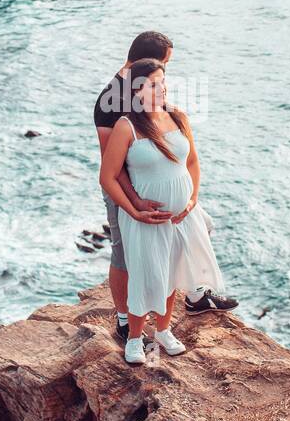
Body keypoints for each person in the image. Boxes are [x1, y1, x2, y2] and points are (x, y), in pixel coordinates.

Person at [94, 32, 237, 345]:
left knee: (199, 226)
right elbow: (113, 168)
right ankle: (124, 321)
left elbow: (189, 158)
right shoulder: (110, 102)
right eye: (164, 64)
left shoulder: (162, 103)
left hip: (158, 182)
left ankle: (194, 294)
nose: (165, 74)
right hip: (128, 186)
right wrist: (135, 204)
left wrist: (189, 198)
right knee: (124, 254)